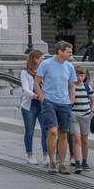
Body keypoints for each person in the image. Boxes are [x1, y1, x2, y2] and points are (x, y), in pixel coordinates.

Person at [34, 41, 77, 175]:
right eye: (69, 52)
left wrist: (71, 101)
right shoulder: (46, 64)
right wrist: (43, 99)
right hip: (49, 102)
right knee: (52, 131)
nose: (71, 54)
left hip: (65, 103)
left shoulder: (70, 67)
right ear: (60, 51)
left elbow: (72, 85)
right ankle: (52, 161)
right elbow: (37, 82)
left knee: (63, 133)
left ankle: (62, 163)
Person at [18, 49, 45, 165]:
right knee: (29, 130)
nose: (43, 60)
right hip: (29, 106)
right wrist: (36, 95)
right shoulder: (25, 72)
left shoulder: (43, 71)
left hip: (43, 105)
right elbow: (25, 90)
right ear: (35, 59)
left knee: (46, 130)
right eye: (41, 58)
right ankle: (29, 154)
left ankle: (47, 155)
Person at [69, 64, 94, 174]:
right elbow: (71, 101)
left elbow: (93, 99)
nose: (80, 78)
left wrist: (92, 110)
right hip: (74, 114)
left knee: (84, 139)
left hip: (85, 115)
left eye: (82, 75)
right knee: (76, 138)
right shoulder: (70, 86)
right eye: (78, 75)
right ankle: (78, 162)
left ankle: (84, 161)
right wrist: (73, 87)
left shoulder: (87, 87)